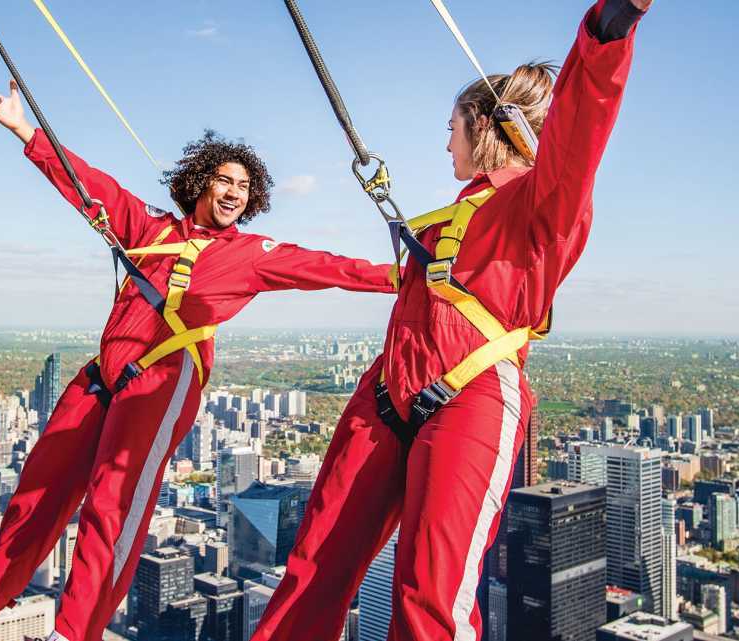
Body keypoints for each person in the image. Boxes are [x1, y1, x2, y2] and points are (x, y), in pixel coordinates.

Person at [0, 78, 395, 641]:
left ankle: (74, 633)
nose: (233, 192)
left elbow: (330, 268)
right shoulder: (150, 229)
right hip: (101, 378)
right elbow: (89, 187)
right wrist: (24, 129)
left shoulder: (251, 255)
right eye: (224, 179)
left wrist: (410, 274)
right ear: (200, 182)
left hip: (163, 382)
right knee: (36, 493)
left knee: (112, 509)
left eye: (244, 186)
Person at [250, 1, 651, 639]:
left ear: (489, 126)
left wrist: (611, 25)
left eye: (453, 126)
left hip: (472, 398)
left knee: (430, 597)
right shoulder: (440, 225)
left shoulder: (542, 205)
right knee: (311, 570)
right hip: (385, 394)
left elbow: (579, 132)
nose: (445, 141)